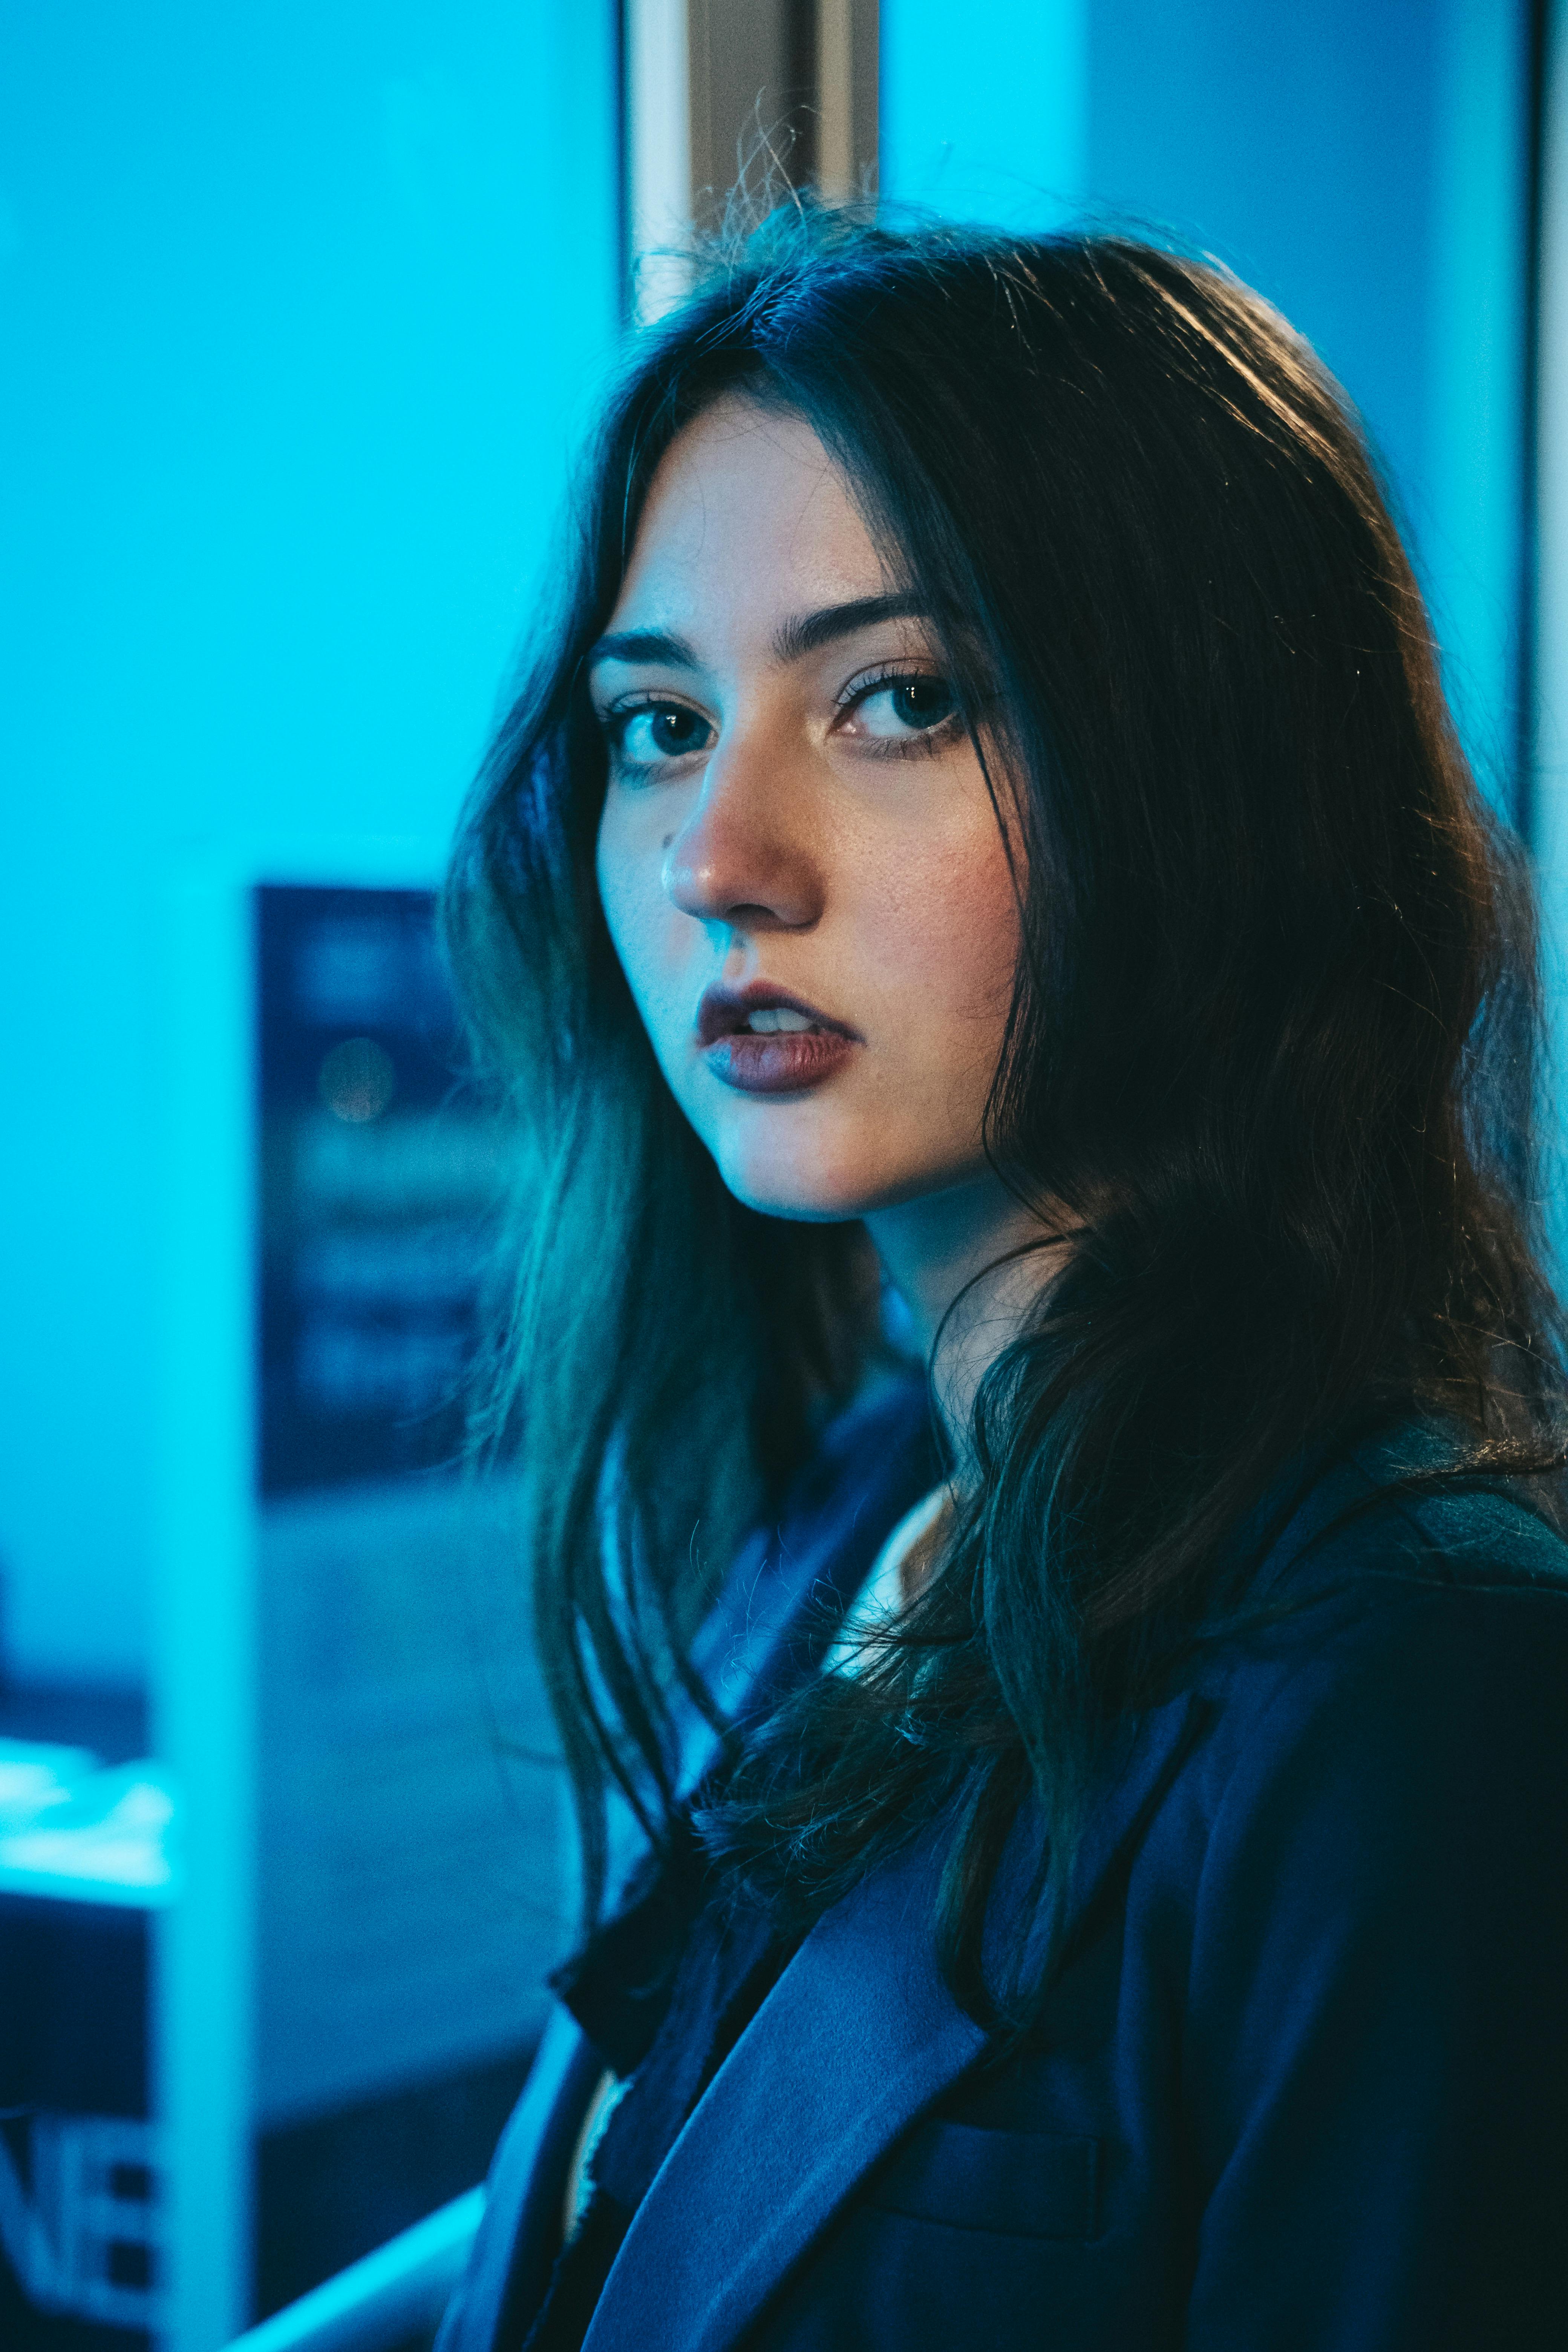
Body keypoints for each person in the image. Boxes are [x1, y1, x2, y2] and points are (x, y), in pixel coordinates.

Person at [436, 207, 1568, 2350]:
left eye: (899, 698)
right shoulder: (867, 1514)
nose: (717, 863)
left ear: (1213, 770)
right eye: (659, 727)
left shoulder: (1420, 1694)